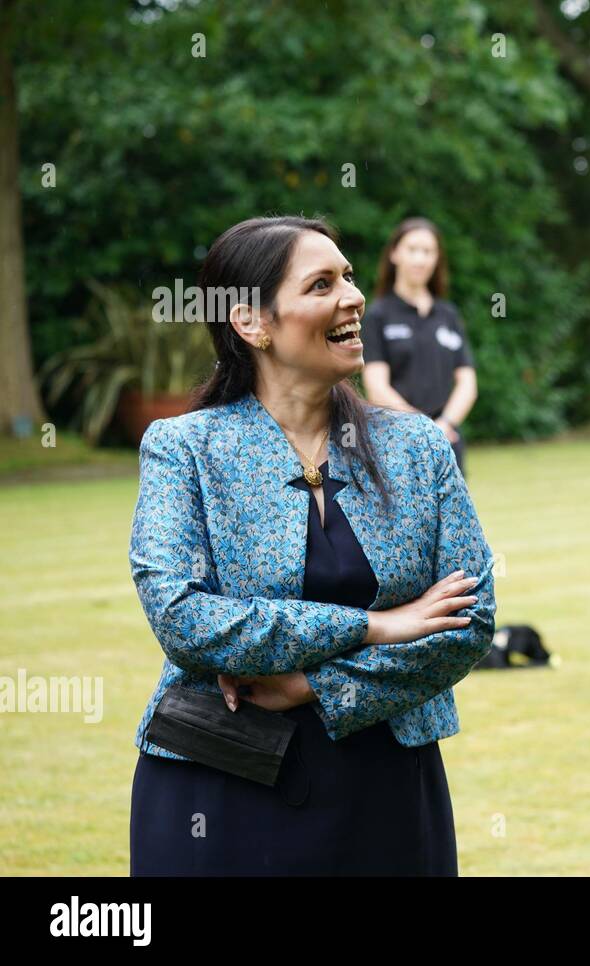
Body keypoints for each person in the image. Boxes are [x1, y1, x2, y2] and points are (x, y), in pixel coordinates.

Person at [128, 215, 496, 876]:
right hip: (222, 786)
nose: (353, 296)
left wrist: (313, 686)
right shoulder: (184, 448)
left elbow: (469, 621)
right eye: (322, 284)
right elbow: (185, 621)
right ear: (252, 323)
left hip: (385, 793)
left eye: (350, 277)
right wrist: (376, 626)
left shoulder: (417, 446)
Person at [361, 217, 477, 475]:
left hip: (448, 439)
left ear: (437, 259)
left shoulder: (448, 315)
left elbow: (467, 383)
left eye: (428, 251)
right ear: (394, 253)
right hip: (397, 440)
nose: (420, 259)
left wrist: (445, 424)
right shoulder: (378, 315)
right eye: (412, 249)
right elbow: (376, 387)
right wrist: (423, 428)